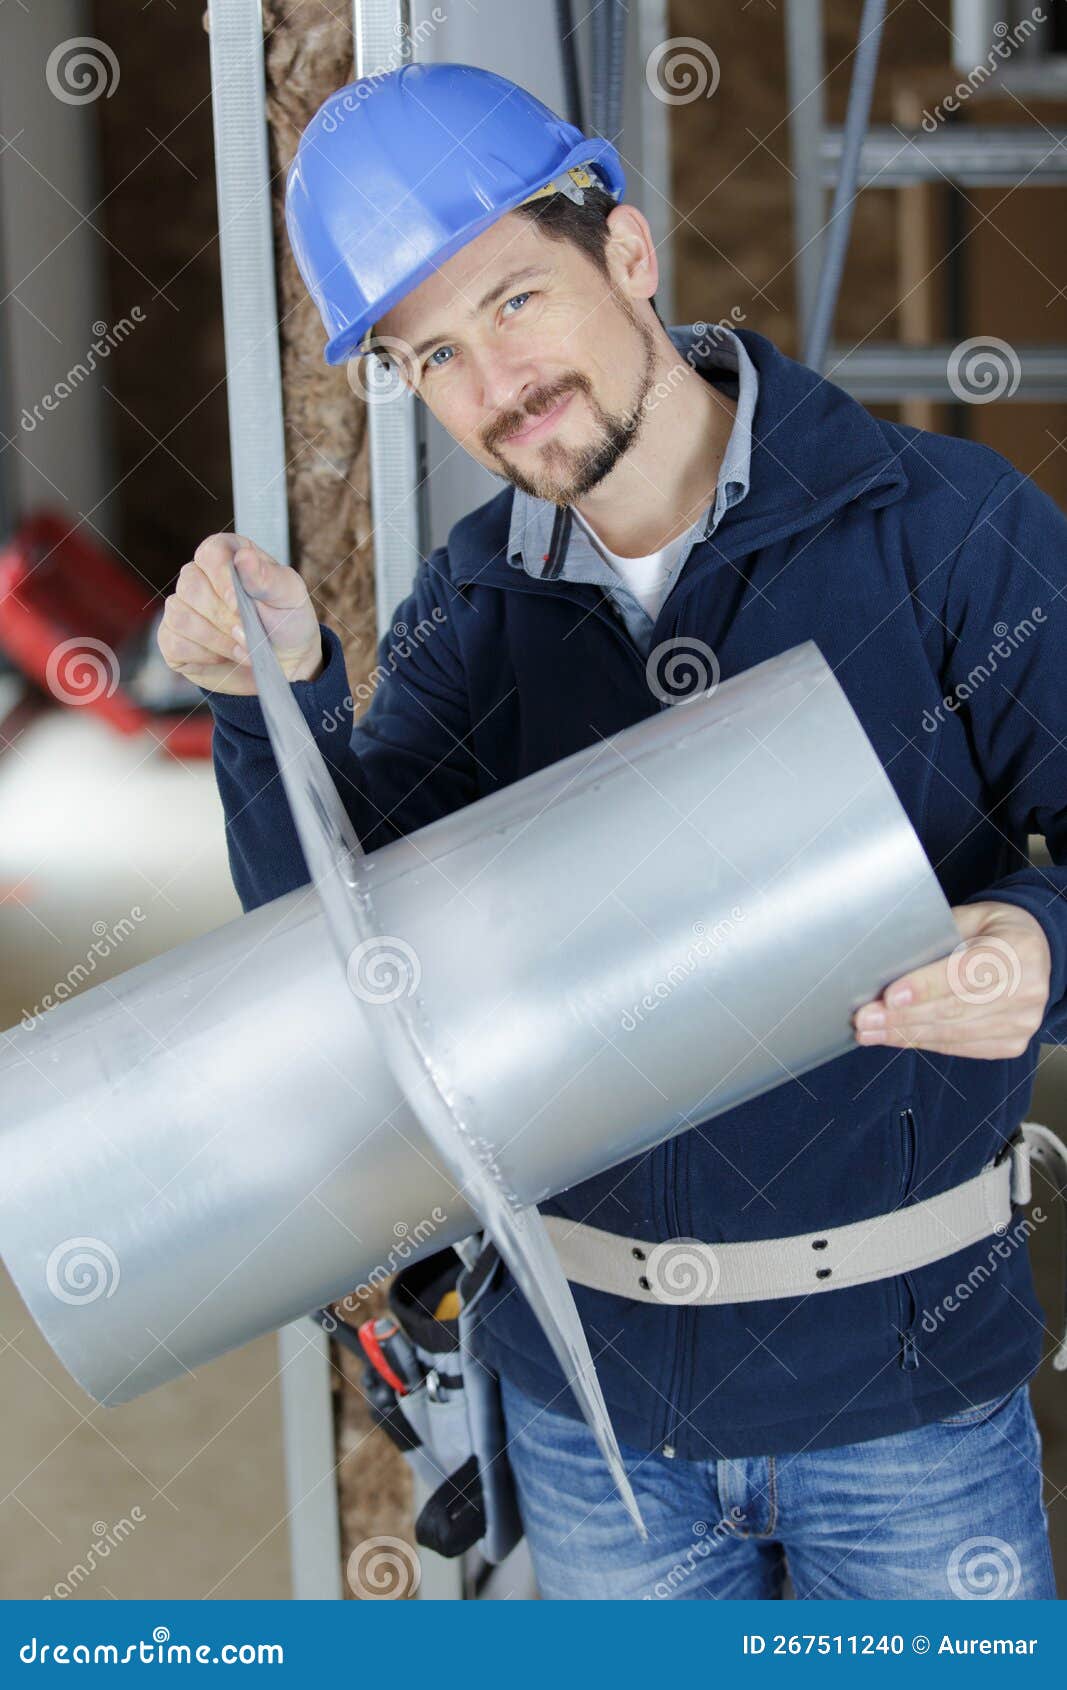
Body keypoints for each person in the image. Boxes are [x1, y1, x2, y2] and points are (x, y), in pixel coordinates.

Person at [159, 64, 1066, 1599]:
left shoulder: (946, 530)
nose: (492, 383)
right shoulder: (477, 606)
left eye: (514, 302)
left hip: (905, 1408)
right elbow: (348, 958)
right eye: (431, 353)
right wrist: (274, 703)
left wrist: (1041, 946)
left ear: (629, 254)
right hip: (597, 1430)